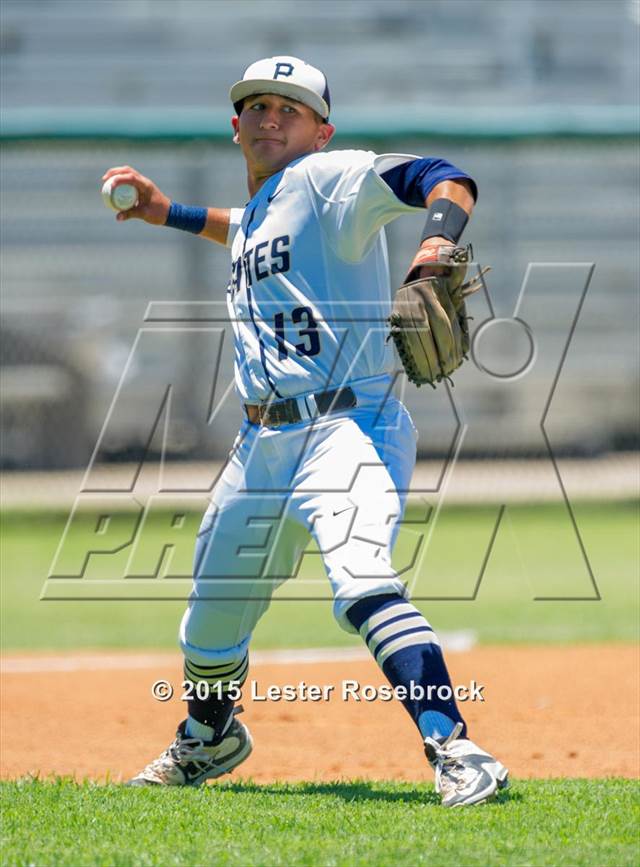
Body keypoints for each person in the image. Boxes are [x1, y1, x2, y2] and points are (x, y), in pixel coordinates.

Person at [103, 56, 508, 807]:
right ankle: (212, 734)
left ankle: (458, 748)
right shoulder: (264, 210)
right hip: (262, 444)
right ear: (236, 126)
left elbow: (445, 175)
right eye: (256, 105)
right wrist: (171, 213)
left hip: (347, 425)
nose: (270, 116)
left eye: (289, 108)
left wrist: (433, 245)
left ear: (321, 131)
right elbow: (245, 227)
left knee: (359, 578)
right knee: (209, 621)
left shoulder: (331, 180)